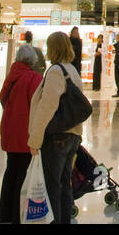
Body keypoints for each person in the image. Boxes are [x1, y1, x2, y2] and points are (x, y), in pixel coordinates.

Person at [27, 31, 88, 224]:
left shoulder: (55, 71)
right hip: (72, 136)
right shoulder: (72, 70)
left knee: (52, 186)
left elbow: (47, 107)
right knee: (64, 184)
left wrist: (35, 138)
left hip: (57, 138)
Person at [0, 43, 43, 224]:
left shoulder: (12, 76)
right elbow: (39, 104)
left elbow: (2, 97)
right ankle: (18, 215)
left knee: (11, 171)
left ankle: (5, 214)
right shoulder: (33, 78)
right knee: (23, 174)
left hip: (9, 129)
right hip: (26, 132)